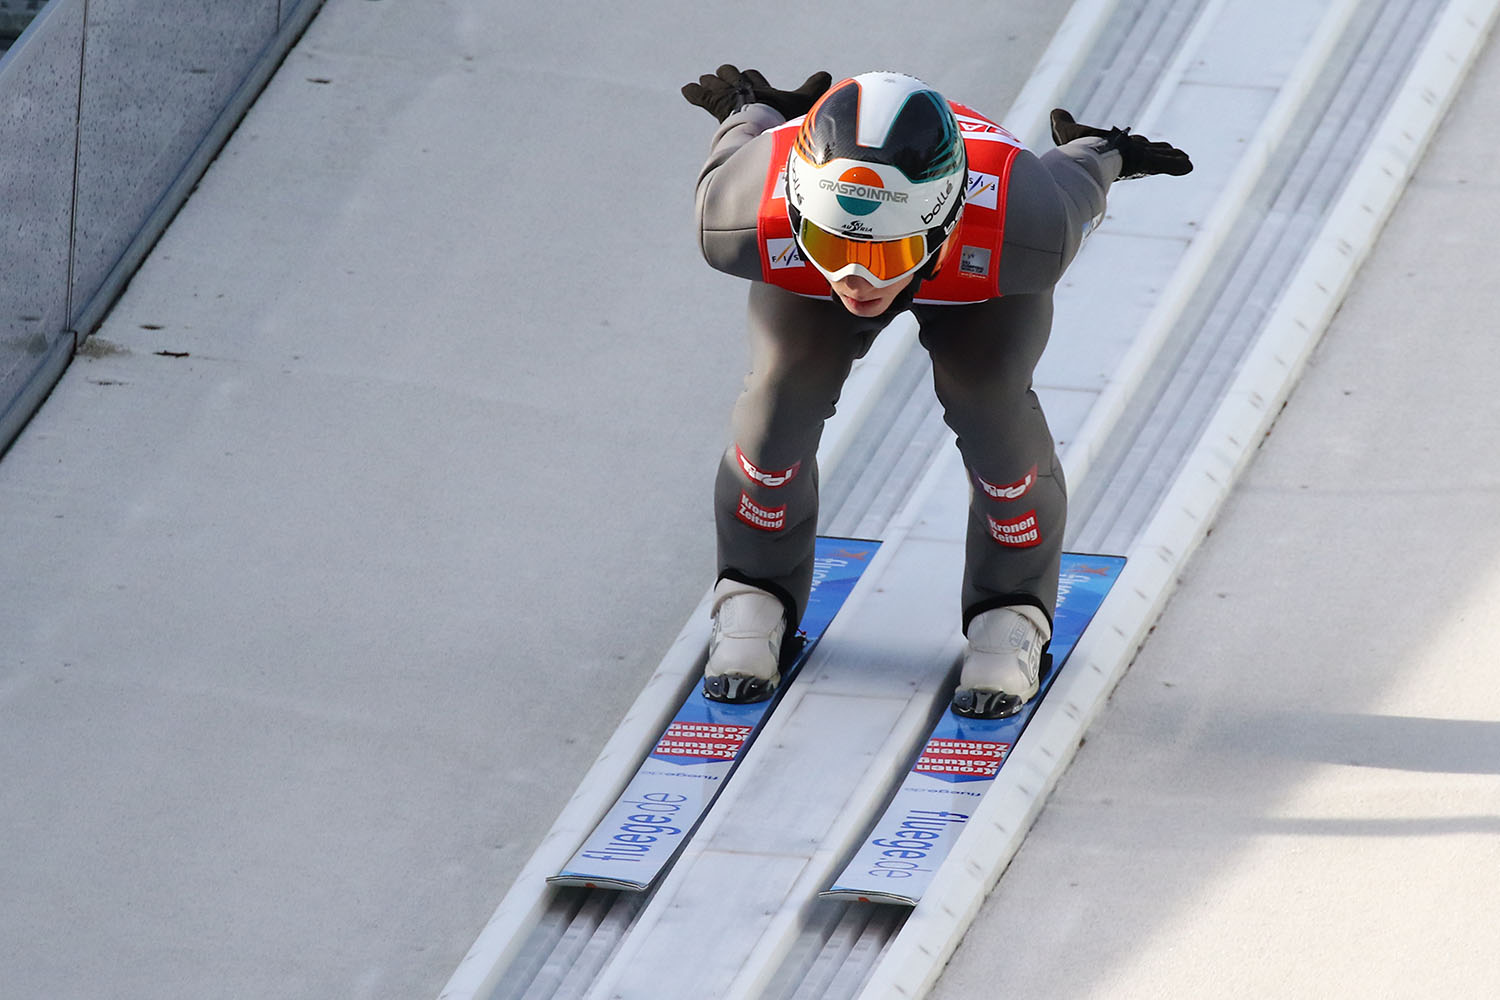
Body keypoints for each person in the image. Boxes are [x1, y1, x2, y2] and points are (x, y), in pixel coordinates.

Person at [681, 65, 1191, 717]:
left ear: (946, 219)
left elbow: (1077, 181)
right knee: (777, 407)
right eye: (830, 242)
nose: (856, 280)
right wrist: (751, 111)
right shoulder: (742, 213)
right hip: (910, 257)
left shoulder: (1023, 222)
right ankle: (751, 589)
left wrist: (1103, 149)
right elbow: (739, 150)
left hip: (977, 281)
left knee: (992, 410)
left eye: (885, 255)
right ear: (799, 211)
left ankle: (1011, 608)